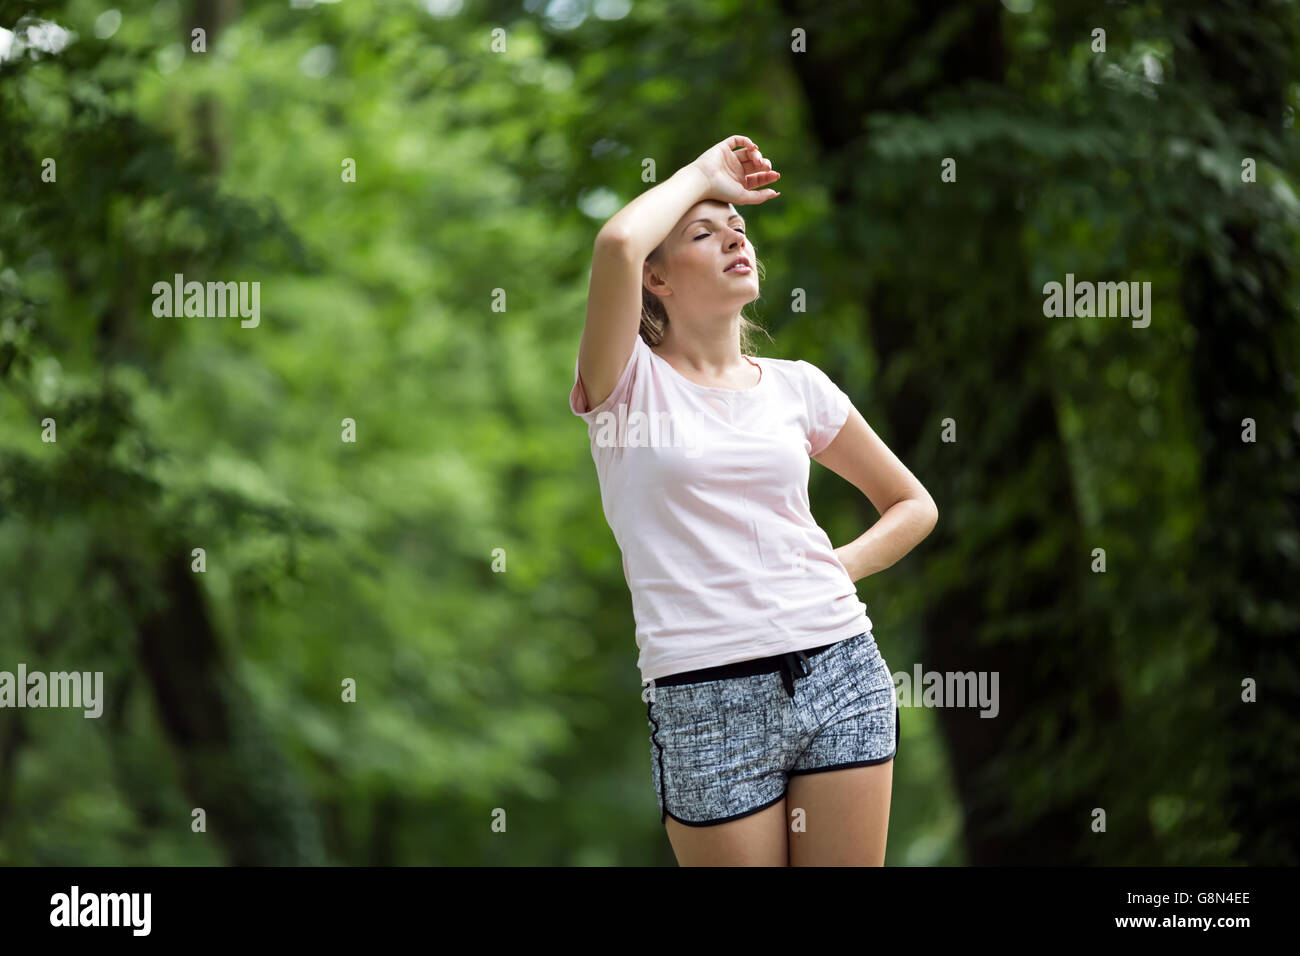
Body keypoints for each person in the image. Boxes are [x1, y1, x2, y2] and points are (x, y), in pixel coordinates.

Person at [568, 134, 938, 866]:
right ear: (658, 281)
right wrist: (705, 175)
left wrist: (841, 566)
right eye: (703, 233)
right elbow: (616, 244)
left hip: (839, 669)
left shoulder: (799, 386)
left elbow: (911, 503)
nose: (735, 233)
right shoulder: (625, 387)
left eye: (737, 226)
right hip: (703, 694)